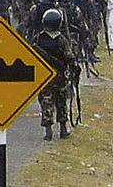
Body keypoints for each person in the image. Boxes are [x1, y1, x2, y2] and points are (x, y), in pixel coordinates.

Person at [33, 8, 76, 141]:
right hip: (59, 77)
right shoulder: (62, 40)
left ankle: (48, 132)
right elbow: (69, 57)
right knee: (61, 102)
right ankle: (63, 129)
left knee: (46, 103)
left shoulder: (38, 38)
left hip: (44, 77)